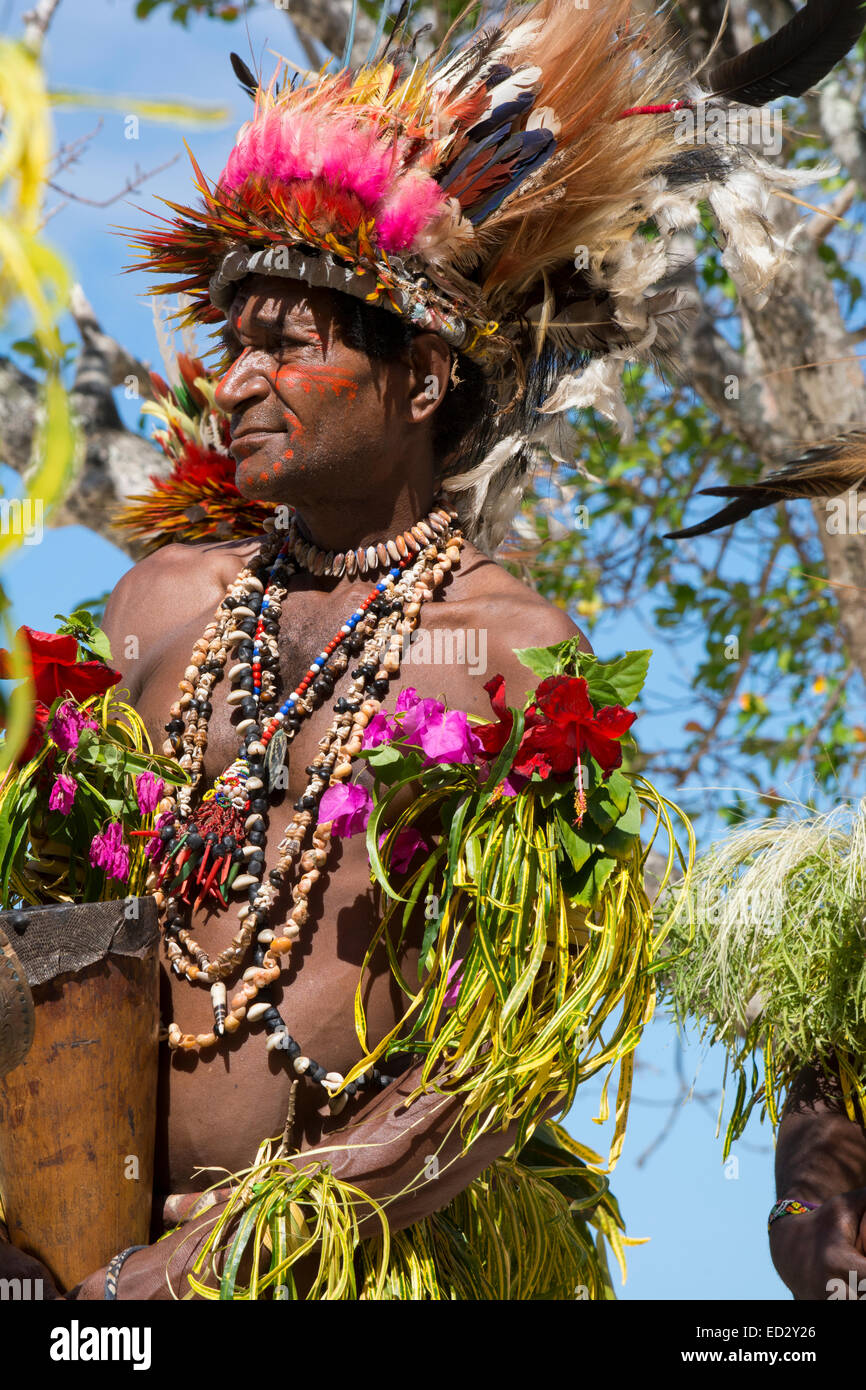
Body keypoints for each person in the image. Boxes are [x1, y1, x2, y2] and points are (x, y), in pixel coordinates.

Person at [4, 0, 861, 1300]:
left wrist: (225, 1256)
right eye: (233, 343)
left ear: (418, 382)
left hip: (369, 1268)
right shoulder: (154, 609)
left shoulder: (513, 655)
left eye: (286, 345)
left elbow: (497, 1065)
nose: (234, 379)